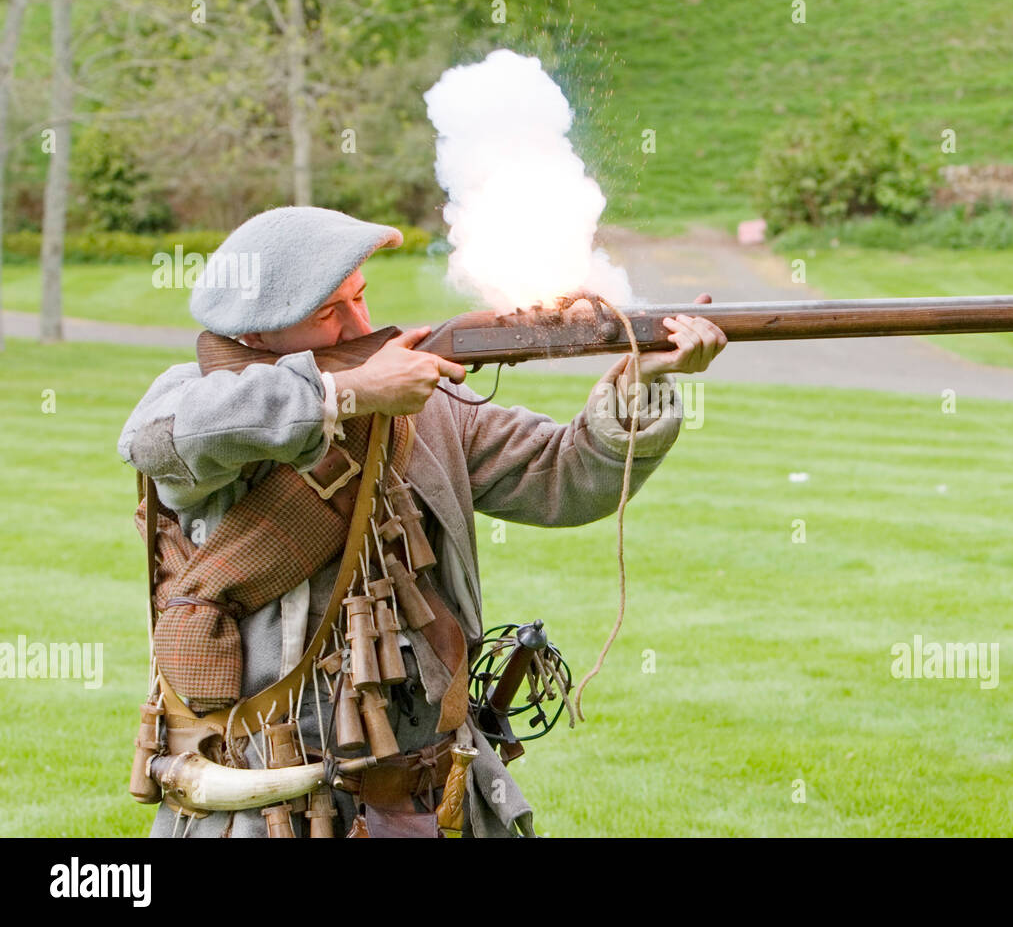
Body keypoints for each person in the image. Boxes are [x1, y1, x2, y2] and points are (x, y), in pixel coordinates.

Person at [118, 206, 726, 837]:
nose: (363, 324)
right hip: (269, 801)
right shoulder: (209, 404)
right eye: (331, 313)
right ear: (260, 334)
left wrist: (640, 383)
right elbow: (158, 442)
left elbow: (564, 477)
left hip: (428, 791)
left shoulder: (423, 404)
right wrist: (343, 394)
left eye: (360, 298)